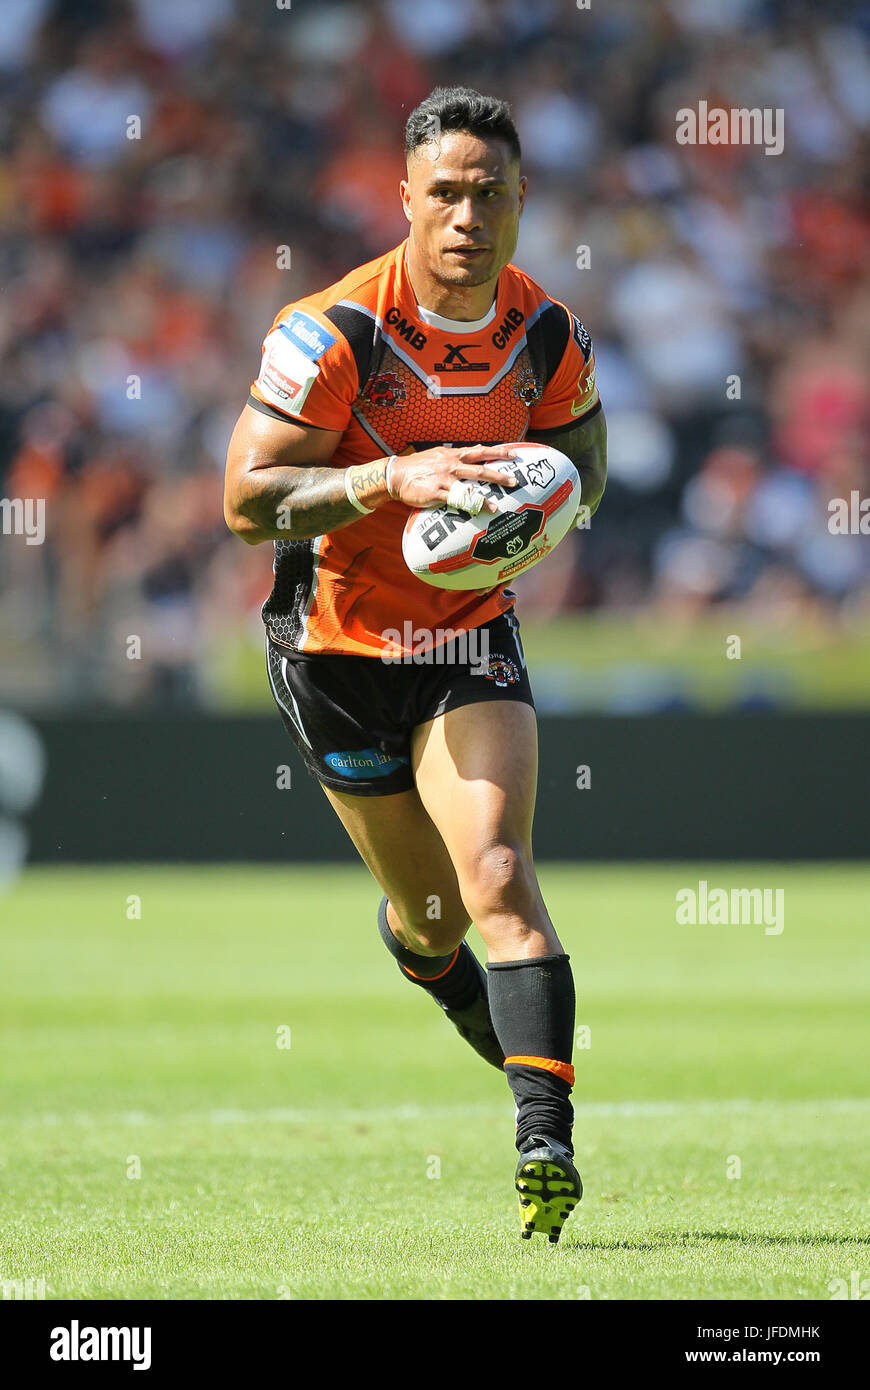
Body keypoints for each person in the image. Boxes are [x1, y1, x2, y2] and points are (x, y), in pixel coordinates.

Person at [224, 86, 606, 1243]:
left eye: (490, 193)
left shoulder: (544, 334)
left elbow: (586, 463)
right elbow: (248, 503)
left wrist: (540, 515)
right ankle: (438, 970)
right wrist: (393, 479)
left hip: (465, 640)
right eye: (444, 191)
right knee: (434, 920)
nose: (466, 214)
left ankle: (546, 1140)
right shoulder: (334, 331)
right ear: (404, 199)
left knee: (497, 869)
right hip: (337, 650)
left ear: (522, 201)